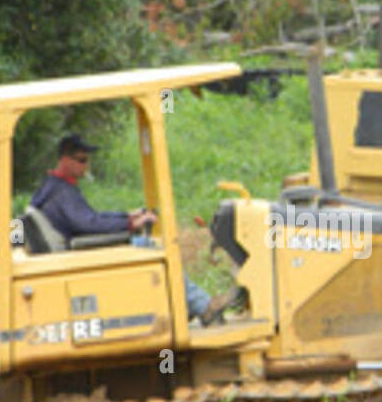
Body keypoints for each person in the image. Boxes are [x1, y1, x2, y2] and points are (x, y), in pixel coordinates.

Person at [30, 134, 234, 325]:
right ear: (65, 160)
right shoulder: (62, 192)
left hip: (77, 247)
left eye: (87, 160)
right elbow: (89, 224)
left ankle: (186, 304)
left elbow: (91, 218)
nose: (87, 166)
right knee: (154, 249)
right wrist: (129, 225)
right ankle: (203, 307)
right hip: (80, 252)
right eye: (82, 161)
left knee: (149, 245)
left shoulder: (56, 187)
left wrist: (127, 217)